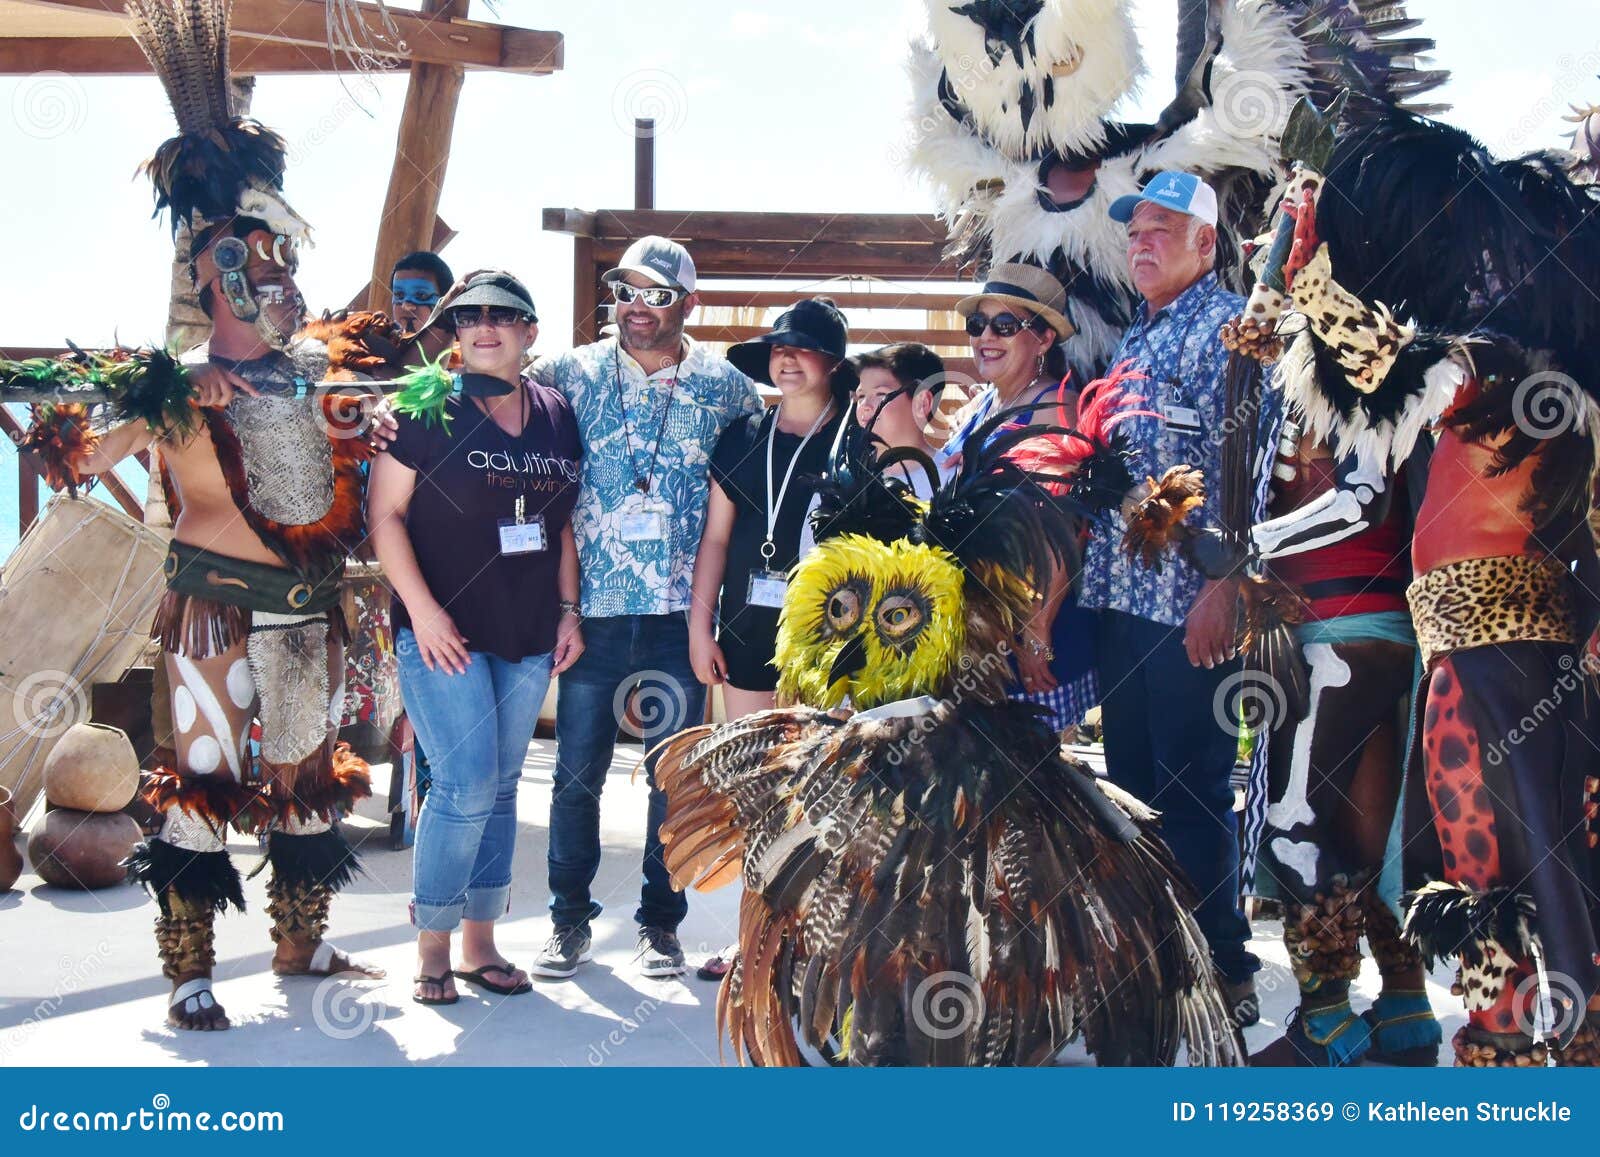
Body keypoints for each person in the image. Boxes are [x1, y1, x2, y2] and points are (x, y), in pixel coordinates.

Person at [27, 3, 391, 1030]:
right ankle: (189, 971)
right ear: (214, 273)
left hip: (304, 609)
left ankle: (301, 938)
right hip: (211, 614)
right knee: (200, 784)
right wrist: (84, 424)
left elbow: (377, 456)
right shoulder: (176, 386)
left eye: (281, 256)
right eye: (252, 258)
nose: (275, 274)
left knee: (309, 780)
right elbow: (73, 460)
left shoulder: (325, 373)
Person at [530, 236, 762, 979]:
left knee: (673, 779)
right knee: (577, 776)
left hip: (676, 623)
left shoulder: (726, 389)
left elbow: (764, 476)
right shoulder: (568, 371)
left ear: (688, 304)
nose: (636, 306)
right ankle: (568, 921)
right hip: (592, 615)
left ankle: (659, 925)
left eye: (656, 294)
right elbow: (489, 397)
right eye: (625, 290)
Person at [368, 271, 584, 1005]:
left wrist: (569, 610)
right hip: (443, 632)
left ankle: (480, 944)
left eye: (503, 315)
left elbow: (559, 526)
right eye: (469, 316)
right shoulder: (423, 405)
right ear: (454, 331)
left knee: (499, 788)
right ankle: (431, 945)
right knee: (460, 786)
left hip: (525, 630)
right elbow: (385, 517)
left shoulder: (557, 410)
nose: (484, 326)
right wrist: (422, 612)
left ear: (530, 331)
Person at [1079, 172, 1261, 1019]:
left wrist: (1226, 588)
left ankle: (1224, 969)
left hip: (1192, 610)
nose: (1141, 243)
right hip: (1123, 604)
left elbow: (1247, 479)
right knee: (1133, 792)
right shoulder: (1135, 340)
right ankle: (1158, 966)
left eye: (1162, 229)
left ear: (1206, 243)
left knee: (1192, 794)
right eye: (1135, 231)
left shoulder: (1228, 331)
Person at [940, 264, 1098, 740]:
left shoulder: (1053, 409)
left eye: (1005, 326)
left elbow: (1062, 532)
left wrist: (1036, 631)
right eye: (978, 324)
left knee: (1033, 784)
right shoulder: (983, 406)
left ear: (1044, 339)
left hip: (1026, 630)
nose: (986, 336)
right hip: (977, 625)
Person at [690, 297, 854, 719]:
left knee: (818, 775)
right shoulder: (742, 437)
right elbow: (715, 539)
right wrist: (699, 629)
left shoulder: (854, 441)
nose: (788, 358)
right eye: (780, 348)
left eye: (803, 348)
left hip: (827, 636)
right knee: (750, 774)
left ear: (834, 362)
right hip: (745, 630)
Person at [850, 342, 954, 498]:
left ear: (922, 403)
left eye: (880, 394)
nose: (865, 406)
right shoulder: (843, 479)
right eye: (861, 396)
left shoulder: (954, 481)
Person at [390, 250, 456, 364]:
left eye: (421, 296)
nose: (406, 306)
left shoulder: (466, 356)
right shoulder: (372, 348)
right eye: (399, 295)